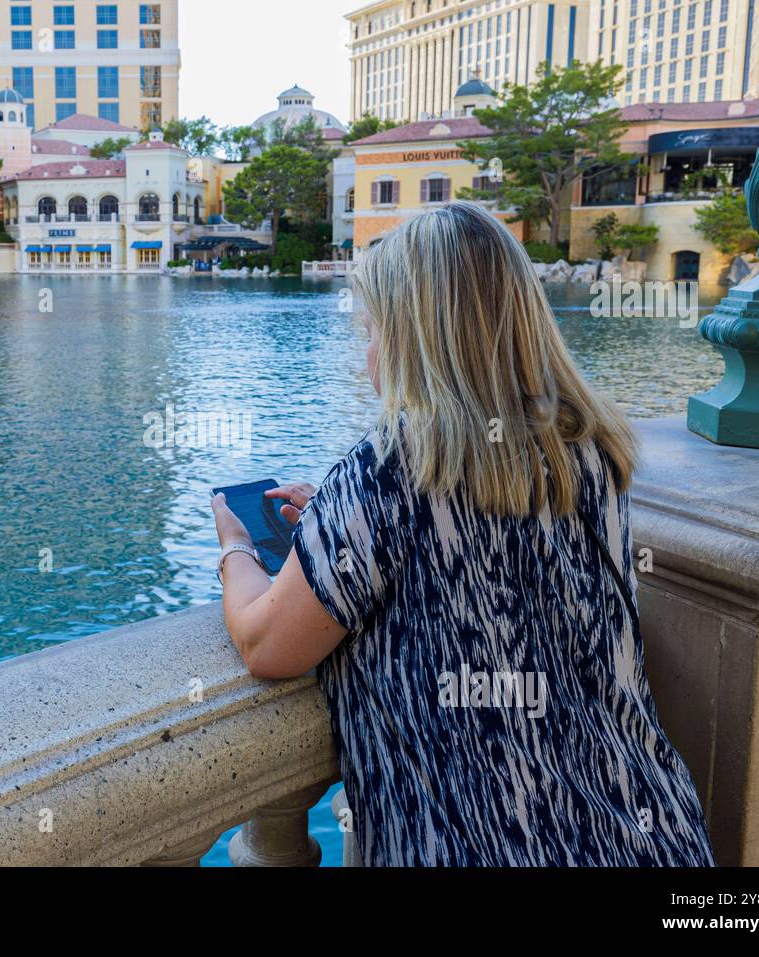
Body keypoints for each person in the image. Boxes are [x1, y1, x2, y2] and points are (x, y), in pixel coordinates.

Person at [210, 201, 714, 867]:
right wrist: (337, 519)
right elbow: (486, 538)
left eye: (373, 330)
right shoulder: (589, 446)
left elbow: (265, 642)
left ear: (417, 336)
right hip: (650, 834)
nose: (367, 353)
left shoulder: (395, 461)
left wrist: (235, 544)